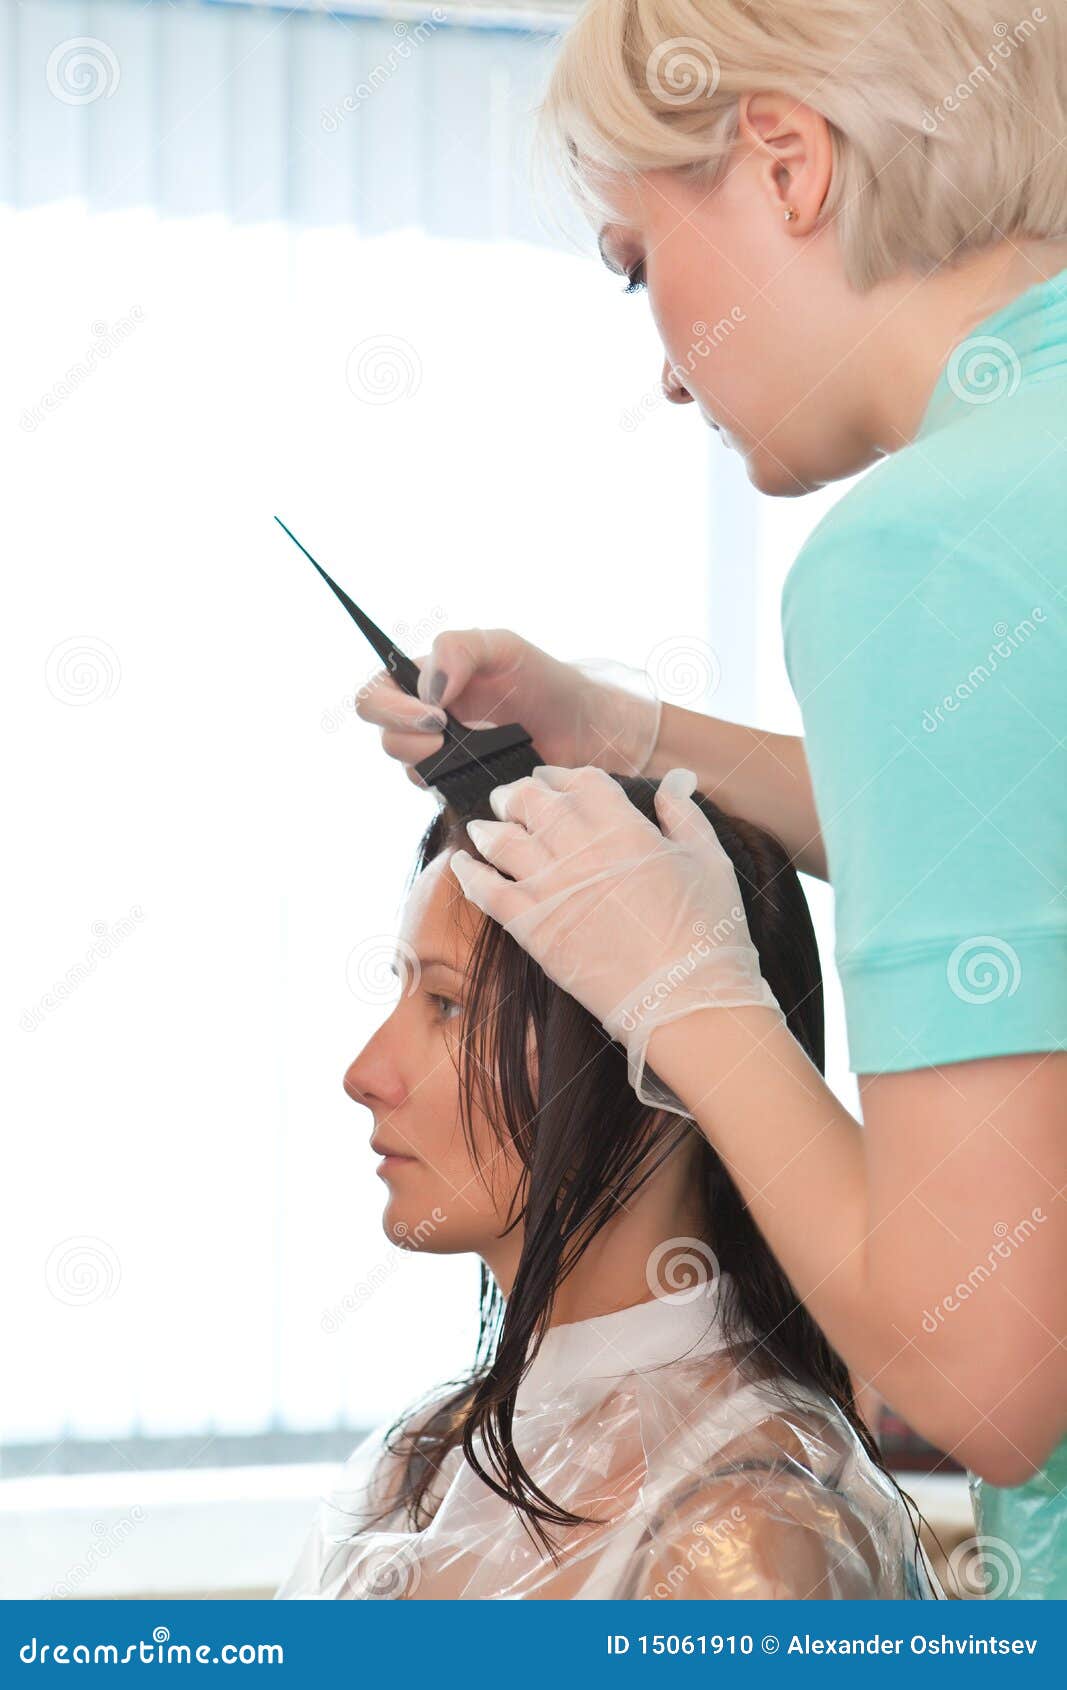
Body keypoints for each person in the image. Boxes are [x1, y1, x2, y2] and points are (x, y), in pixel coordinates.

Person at [356, 0, 1067, 1599]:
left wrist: (687, 996)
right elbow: (1025, 839)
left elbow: (984, 1379)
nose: (669, 369)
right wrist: (615, 725)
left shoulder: (926, 551)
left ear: (786, 160)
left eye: (634, 263)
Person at [276, 781, 939, 1600]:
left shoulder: (745, 1541)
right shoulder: (413, 1470)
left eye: (445, 1004)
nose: (364, 1075)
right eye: (402, 990)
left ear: (650, 1064)